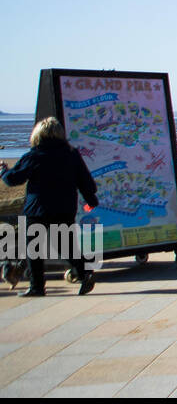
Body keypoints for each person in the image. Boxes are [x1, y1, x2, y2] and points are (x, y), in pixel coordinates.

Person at [0, 117, 99, 296]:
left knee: (33, 249)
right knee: (66, 246)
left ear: (37, 134)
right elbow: (86, 182)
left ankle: (37, 287)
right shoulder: (71, 154)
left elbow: (13, 179)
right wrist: (91, 200)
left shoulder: (34, 155)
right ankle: (85, 273)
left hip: (38, 210)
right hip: (65, 207)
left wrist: (3, 171)